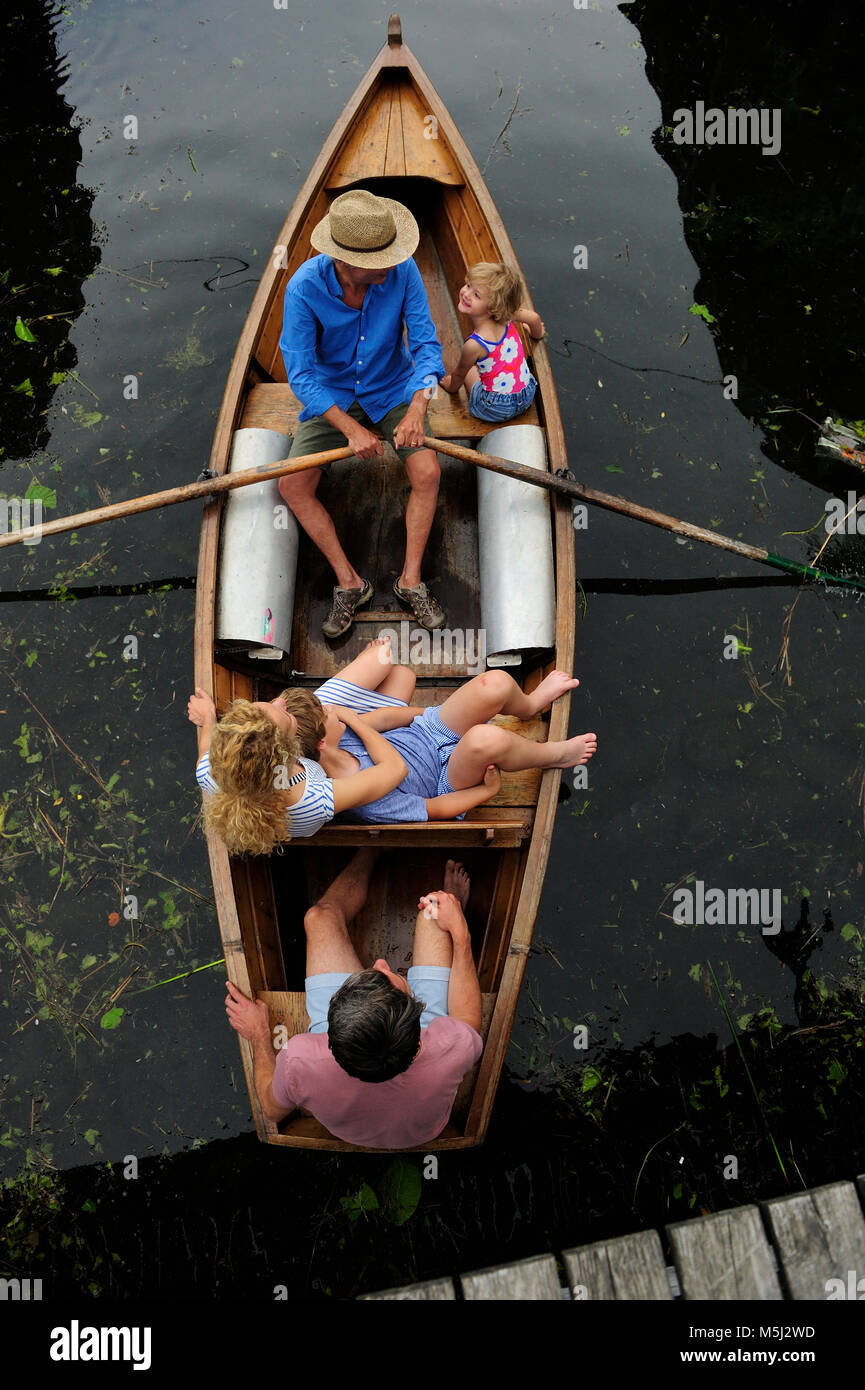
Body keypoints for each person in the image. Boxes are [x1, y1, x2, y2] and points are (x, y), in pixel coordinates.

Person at [224, 854, 484, 1149]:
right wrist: (461, 933)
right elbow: (467, 1019)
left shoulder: (301, 1058)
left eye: (376, 973)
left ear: (332, 1026)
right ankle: (451, 904)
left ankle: (369, 849)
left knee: (318, 917)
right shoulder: (448, 1046)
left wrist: (259, 1035)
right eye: (384, 974)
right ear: (417, 1017)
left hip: (351, 1114)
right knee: (434, 911)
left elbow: (272, 1109)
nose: (381, 962)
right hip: (423, 1130)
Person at [278, 188, 447, 638]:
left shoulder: (404, 271)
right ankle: (350, 583)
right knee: (292, 486)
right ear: (347, 263)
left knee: (428, 473)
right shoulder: (303, 288)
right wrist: (350, 428)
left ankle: (411, 582)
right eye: (383, 259)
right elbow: (300, 373)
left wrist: (417, 405)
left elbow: (428, 346)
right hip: (331, 399)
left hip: (394, 388)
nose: (394, 263)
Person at [187, 640, 413, 854]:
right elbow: (396, 769)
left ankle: (382, 710)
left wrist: (208, 718)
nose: (281, 701)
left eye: (269, 704)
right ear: (290, 749)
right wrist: (354, 720)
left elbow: (207, 746)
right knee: (393, 667)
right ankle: (380, 712)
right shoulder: (313, 800)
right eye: (286, 714)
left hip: (312, 749)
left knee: (389, 665)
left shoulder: (211, 771)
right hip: (326, 759)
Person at [439, 261, 545, 423]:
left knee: (468, 370)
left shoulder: (475, 344)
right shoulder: (508, 314)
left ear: (492, 308)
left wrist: (450, 386)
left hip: (495, 408)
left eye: (477, 295)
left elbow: (459, 375)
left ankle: (484, 406)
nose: (466, 294)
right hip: (527, 394)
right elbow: (534, 318)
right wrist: (537, 334)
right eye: (468, 285)